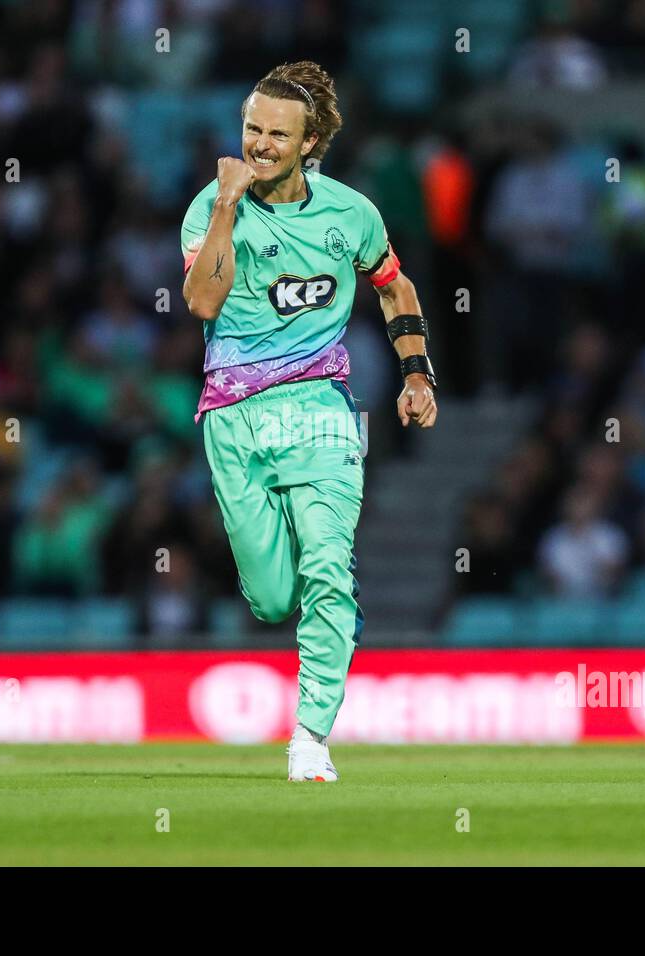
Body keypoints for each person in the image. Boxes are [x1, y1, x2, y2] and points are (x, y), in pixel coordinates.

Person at [180, 61, 438, 781]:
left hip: (320, 411)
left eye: (276, 134)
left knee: (328, 569)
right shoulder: (210, 206)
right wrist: (228, 208)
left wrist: (417, 371)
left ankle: (310, 739)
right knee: (270, 599)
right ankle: (326, 617)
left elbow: (394, 284)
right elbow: (201, 302)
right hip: (232, 418)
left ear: (311, 140)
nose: (259, 144)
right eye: (251, 129)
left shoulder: (352, 214)